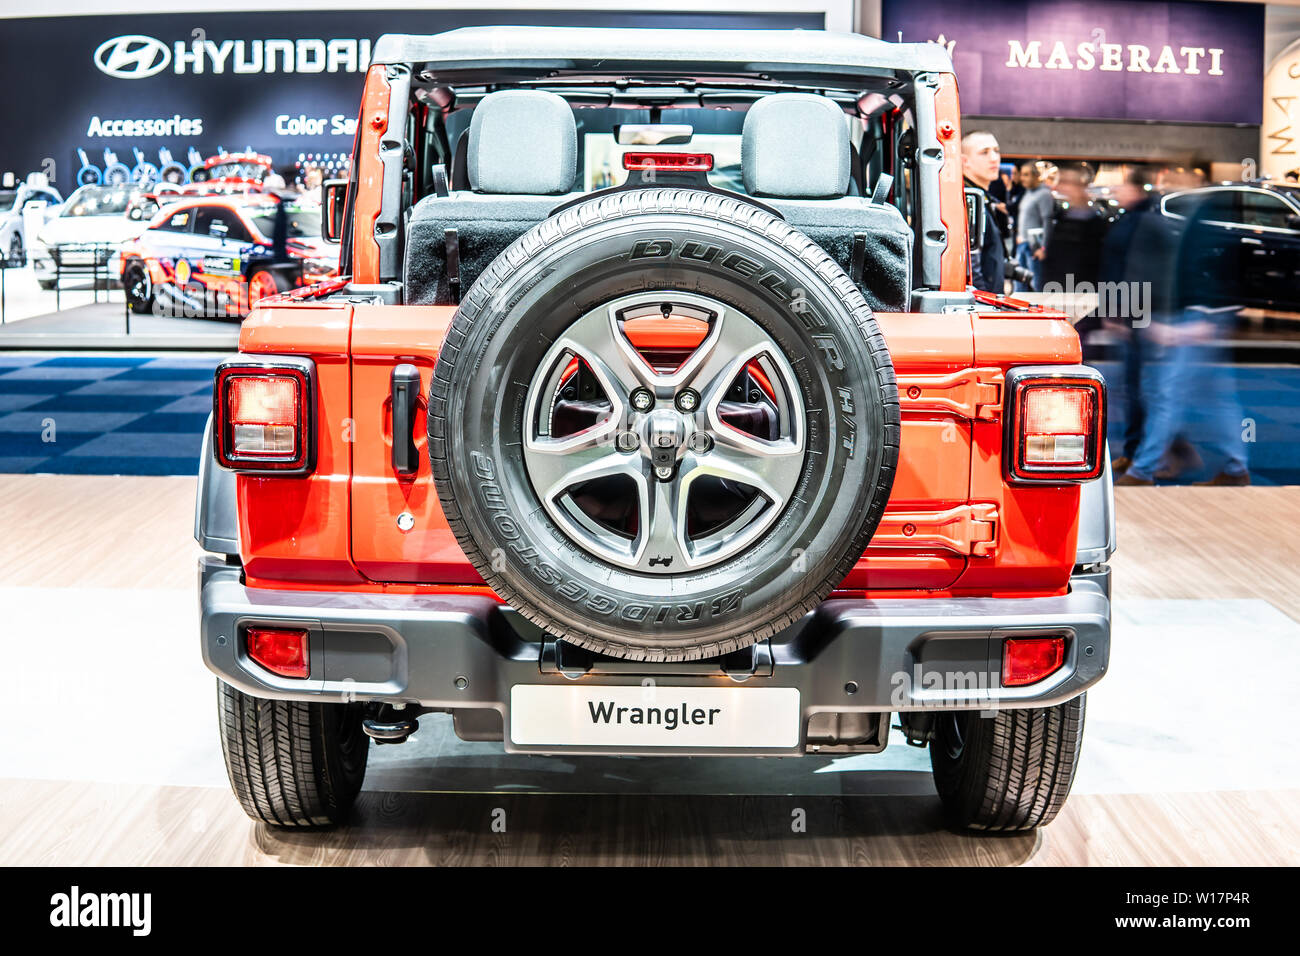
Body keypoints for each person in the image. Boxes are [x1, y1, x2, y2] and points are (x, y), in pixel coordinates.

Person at [1116, 191, 1250, 486]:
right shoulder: (1200, 212)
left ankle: (1143, 470)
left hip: (1202, 315)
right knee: (1216, 397)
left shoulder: (1206, 212)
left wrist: (1196, 323)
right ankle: (1235, 468)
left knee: (1168, 393)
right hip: (1205, 314)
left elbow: (1210, 269)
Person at [1098, 168, 1177, 474]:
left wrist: (1129, 314)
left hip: (1143, 315)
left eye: (1122, 188)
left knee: (1148, 389)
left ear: (1136, 190)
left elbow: (1145, 274)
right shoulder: (1130, 220)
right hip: (1135, 314)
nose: (1117, 193)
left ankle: (1157, 452)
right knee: (1135, 387)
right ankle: (1139, 450)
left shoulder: (1147, 223)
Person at [1042, 166, 1106, 289]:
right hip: (1059, 287)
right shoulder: (1063, 217)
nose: (1062, 187)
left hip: (1081, 289)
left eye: (1067, 183)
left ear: (1079, 187)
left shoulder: (1093, 224)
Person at [961, 129, 1005, 293]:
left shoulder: (981, 198)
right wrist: (983, 301)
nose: (994, 158)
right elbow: (970, 263)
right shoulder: (968, 200)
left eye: (996, 151)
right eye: (984, 152)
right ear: (965, 161)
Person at [1016, 162, 1055, 291]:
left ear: (1035, 176)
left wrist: (1043, 248)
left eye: (1026, 175)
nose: (1022, 178)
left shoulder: (1044, 194)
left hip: (1035, 246)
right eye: (1022, 174)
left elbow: (1047, 221)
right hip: (1023, 244)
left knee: (1037, 285)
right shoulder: (1028, 193)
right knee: (1019, 284)